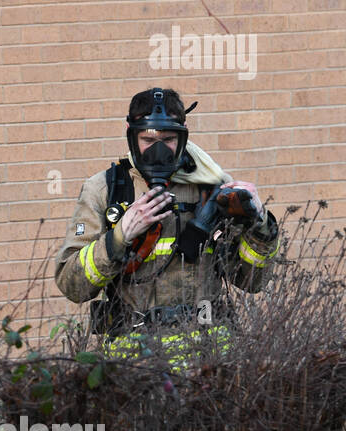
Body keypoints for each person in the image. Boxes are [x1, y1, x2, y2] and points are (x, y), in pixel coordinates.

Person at [55, 88, 281, 358]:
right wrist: (118, 237)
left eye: (169, 139)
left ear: (183, 135)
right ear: (131, 134)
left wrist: (261, 224)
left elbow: (253, 282)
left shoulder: (211, 187)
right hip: (137, 361)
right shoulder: (106, 190)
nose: (159, 149)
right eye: (148, 139)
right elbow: (72, 286)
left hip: (210, 356)